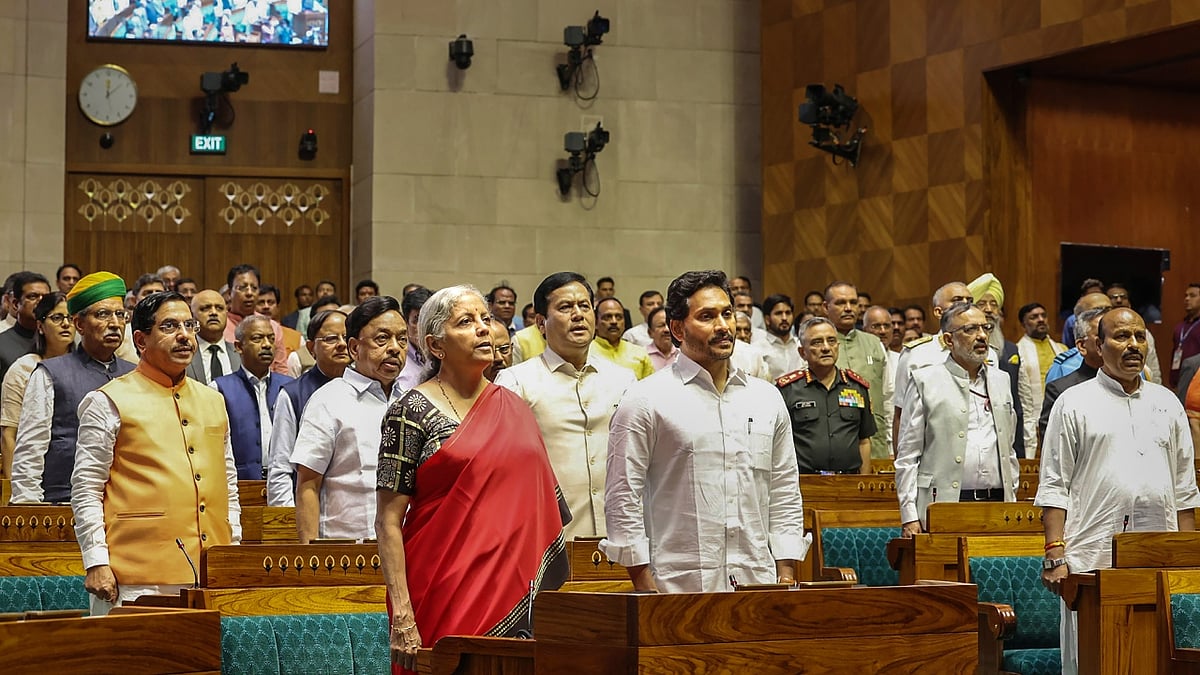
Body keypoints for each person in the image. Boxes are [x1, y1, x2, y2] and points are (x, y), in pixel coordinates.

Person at [377, 285, 570, 672]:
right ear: (436, 345)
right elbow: (387, 521)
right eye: (466, 321)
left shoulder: (513, 406)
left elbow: (542, 506)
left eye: (486, 318)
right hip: (443, 588)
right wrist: (402, 614)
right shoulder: (410, 411)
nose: (483, 328)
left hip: (517, 588)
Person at [601, 270, 807, 593]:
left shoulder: (766, 398)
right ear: (677, 328)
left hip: (759, 582)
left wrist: (785, 573)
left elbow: (784, 491)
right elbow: (622, 496)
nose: (723, 325)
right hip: (676, 588)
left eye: (727, 313)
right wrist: (644, 585)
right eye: (707, 316)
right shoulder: (645, 400)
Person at [1037, 308, 1200, 675]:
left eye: (1140, 336)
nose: (1133, 345)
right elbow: (1054, 484)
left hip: (1159, 558)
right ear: (1098, 345)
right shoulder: (1073, 402)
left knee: (1157, 659)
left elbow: (1184, 489)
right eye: (1122, 336)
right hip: (1092, 558)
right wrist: (1054, 554)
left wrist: (1188, 558)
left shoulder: (1167, 403)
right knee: (1093, 660)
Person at [71, 291, 241, 615]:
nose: (184, 335)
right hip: (133, 577)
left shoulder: (214, 400)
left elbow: (228, 483)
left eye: (189, 325)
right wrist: (95, 561)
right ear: (140, 340)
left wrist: (232, 550)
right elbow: (86, 489)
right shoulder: (107, 401)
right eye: (169, 326)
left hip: (211, 571)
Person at [496, 273, 635, 539]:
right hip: (548, 540)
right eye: (565, 307)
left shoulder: (624, 380)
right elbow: (502, 469)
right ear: (541, 323)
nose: (578, 315)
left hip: (619, 537)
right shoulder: (516, 382)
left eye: (584, 306)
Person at [11, 274, 136, 503]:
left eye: (120, 315)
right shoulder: (50, 373)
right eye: (103, 314)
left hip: (126, 505)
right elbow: (30, 449)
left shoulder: (135, 375)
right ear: (79, 324)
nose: (115, 323)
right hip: (64, 502)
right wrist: (28, 506)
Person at [896, 303, 1019, 535]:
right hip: (943, 505)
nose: (982, 336)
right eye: (970, 329)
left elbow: (1007, 447)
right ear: (948, 340)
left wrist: (1011, 497)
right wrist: (909, 515)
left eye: (985, 328)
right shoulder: (925, 380)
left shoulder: (1001, 380)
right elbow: (908, 456)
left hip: (996, 505)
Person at [292, 296, 406, 542]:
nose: (395, 348)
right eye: (382, 339)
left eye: (402, 339)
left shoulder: (411, 400)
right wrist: (310, 555)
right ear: (354, 348)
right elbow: (308, 485)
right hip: (347, 549)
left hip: (408, 548)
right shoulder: (328, 400)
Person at [265, 309, 351, 507]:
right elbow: (280, 467)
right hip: (308, 507)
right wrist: (287, 516)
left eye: (346, 337)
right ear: (311, 348)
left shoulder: (366, 389)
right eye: (331, 339)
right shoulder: (293, 394)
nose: (341, 344)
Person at [777, 317, 875, 475]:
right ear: (802, 352)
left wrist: (863, 481)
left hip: (849, 480)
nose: (826, 348)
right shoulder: (788, 390)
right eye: (817, 342)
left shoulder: (856, 387)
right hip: (806, 481)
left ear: (838, 346)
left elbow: (864, 440)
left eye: (831, 341)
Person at [892, 282, 976, 446]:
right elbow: (901, 416)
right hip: (933, 448)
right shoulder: (915, 354)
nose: (966, 305)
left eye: (970, 300)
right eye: (957, 300)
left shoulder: (987, 352)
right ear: (938, 312)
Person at [1, 293, 74, 481]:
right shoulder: (24, 368)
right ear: (40, 326)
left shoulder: (85, 367)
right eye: (57, 318)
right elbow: (9, 434)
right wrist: (12, 488)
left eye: (71, 318)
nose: (66, 324)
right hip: (33, 471)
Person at [212, 315, 294, 481]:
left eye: (271, 339)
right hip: (239, 482)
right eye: (257, 338)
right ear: (239, 346)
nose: (267, 345)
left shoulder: (290, 386)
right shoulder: (218, 389)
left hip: (285, 481)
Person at [968, 273, 1034, 459]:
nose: (989, 309)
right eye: (982, 304)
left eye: (994, 304)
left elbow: (1024, 399)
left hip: (1011, 436)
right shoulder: (960, 352)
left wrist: (1029, 444)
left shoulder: (1012, 350)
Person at [825, 282, 889, 458]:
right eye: (840, 303)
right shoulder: (818, 346)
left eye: (853, 302)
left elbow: (888, 397)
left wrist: (892, 445)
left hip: (875, 441)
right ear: (825, 307)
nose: (848, 308)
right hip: (835, 443)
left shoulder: (874, 343)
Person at [1039, 308, 1105, 443]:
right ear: (1082, 346)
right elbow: (1053, 446)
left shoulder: (1133, 384)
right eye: (1103, 336)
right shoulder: (1061, 390)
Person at [222, 264, 289, 376]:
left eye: (254, 288)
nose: (249, 293)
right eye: (242, 288)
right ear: (229, 293)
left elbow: (281, 369)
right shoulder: (221, 326)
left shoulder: (272, 326)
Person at [1046, 293, 1114, 384]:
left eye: (1109, 310)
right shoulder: (1064, 366)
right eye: (1098, 310)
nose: (1106, 315)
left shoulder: (1125, 361)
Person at [0, 271, 51, 379]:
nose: (40, 302)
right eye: (33, 296)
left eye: (45, 298)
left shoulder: (59, 341)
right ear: (15, 304)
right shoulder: (2, 343)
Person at [862, 305, 899, 448]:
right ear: (865, 330)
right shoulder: (860, 361)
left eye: (887, 326)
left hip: (898, 435)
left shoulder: (902, 359)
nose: (882, 331)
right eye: (876, 326)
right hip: (871, 437)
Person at [187, 290, 241, 385]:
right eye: (205, 308)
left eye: (219, 308)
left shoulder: (241, 353)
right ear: (192, 316)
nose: (214, 312)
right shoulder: (184, 353)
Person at [591, 297, 654, 379]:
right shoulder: (585, 353)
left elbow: (650, 385)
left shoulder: (640, 353)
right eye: (607, 317)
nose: (614, 321)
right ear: (595, 323)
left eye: (619, 317)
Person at [759, 294, 804, 380]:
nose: (784, 318)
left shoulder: (801, 345)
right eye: (778, 313)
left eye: (788, 313)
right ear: (767, 319)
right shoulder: (758, 349)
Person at [396, 287, 432, 390]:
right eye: (417, 319)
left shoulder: (444, 355)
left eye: (428, 319)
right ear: (405, 323)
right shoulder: (397, 359)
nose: (423, 326)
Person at [1171, 283, 1200, 388]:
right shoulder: (1180, 326)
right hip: (1179, 378)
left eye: (1192, 296)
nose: (1187, 299)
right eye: (1186, 296)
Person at [644, 306, 678, 371]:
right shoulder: (642, 355)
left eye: (669, 325)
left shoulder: (683, 354)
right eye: (661, 325)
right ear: (650, 332)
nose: (667, 329)